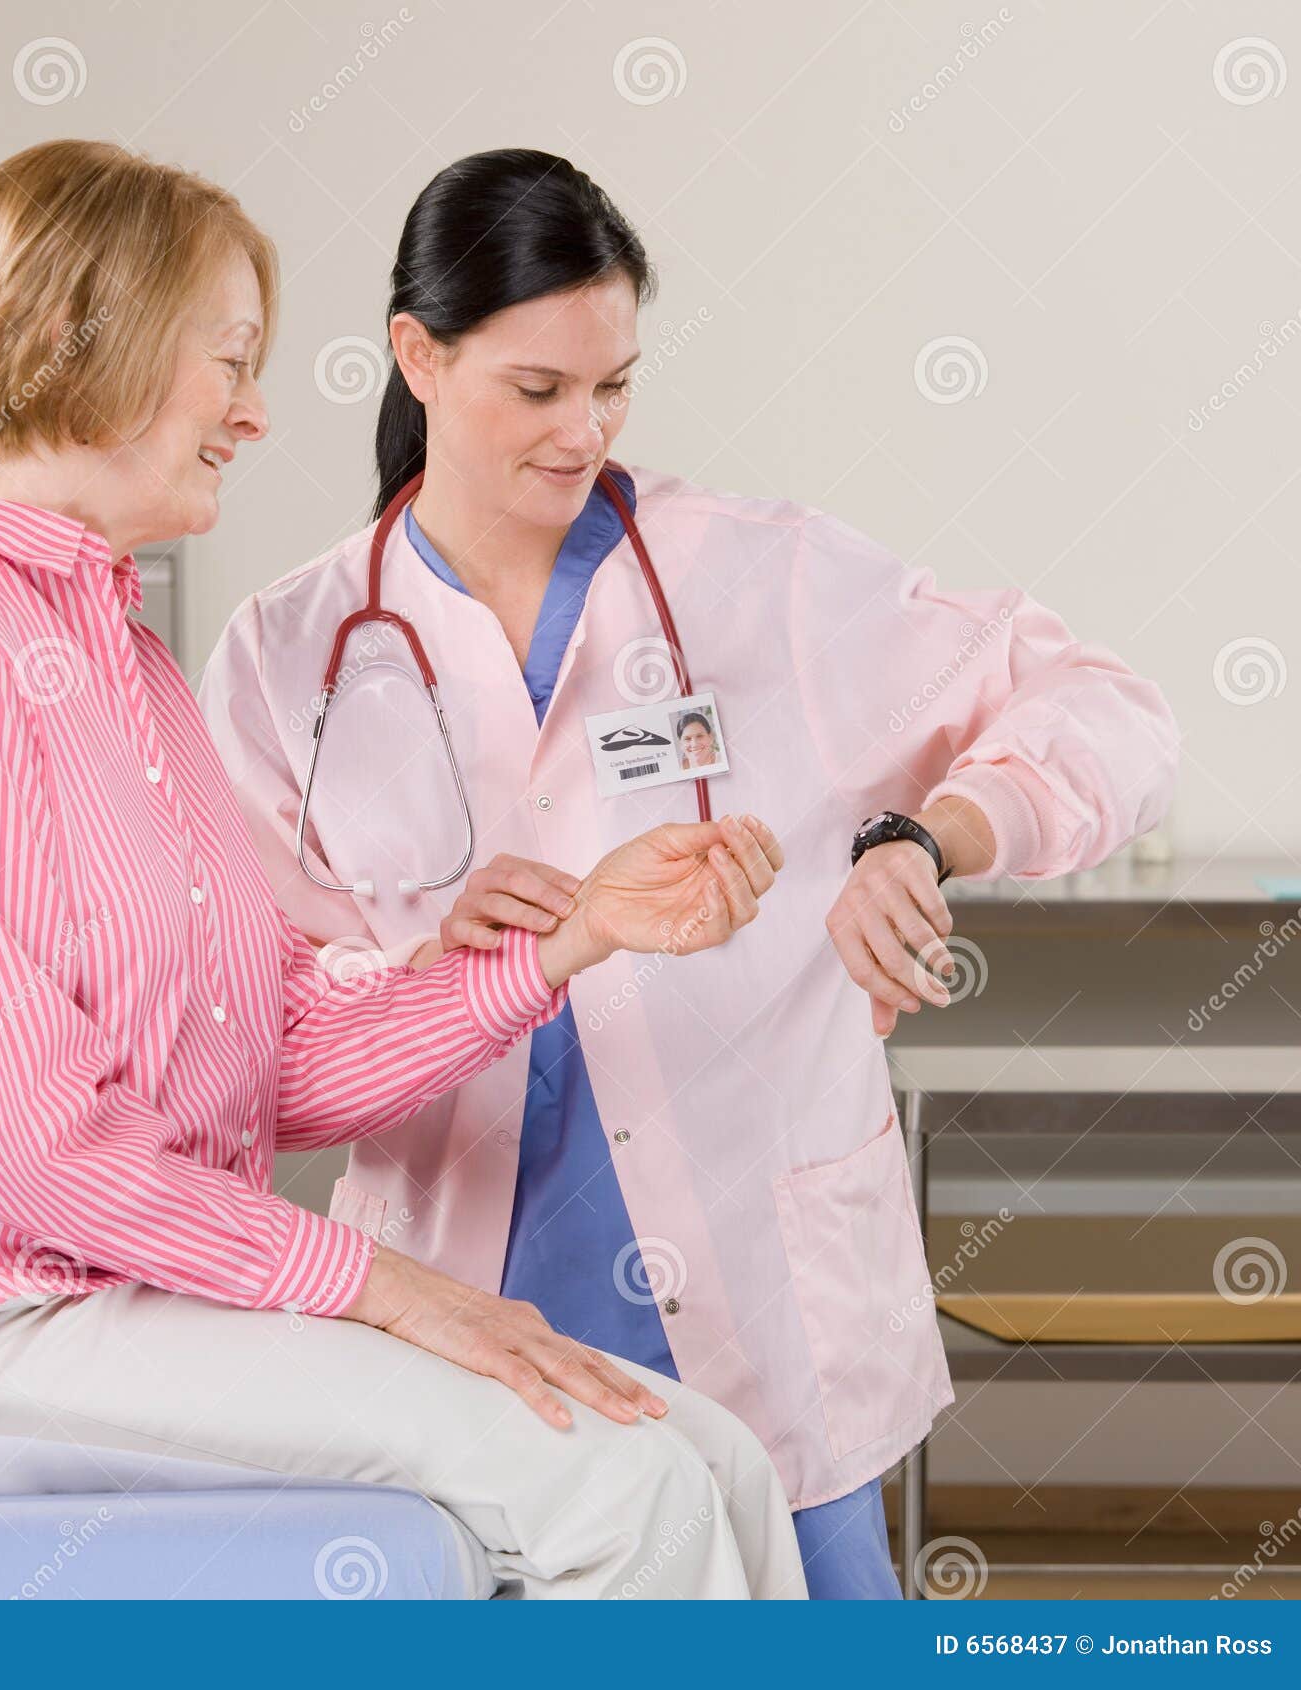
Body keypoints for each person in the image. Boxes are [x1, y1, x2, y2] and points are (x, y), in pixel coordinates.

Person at [0, 139, 807, 1602]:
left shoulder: (126, 665)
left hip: (117, 1304)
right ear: (83, 343)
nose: (255, 412)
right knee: (613, 1481)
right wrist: (396, 1291)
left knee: (714, 1455)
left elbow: (272, 1058)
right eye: (230, 362)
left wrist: (563, 944)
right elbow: (29, 1145)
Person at [200, 148, 1181, 1598]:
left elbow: (1109, 707)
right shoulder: (294, 656)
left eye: (614, 387)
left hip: (764, 1334)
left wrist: (932, 836)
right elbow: (249, 1031)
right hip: (471, 1346)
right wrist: (419, 968)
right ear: (416, 354)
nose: (582, 429)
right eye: (537, 390)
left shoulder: (756, 579)